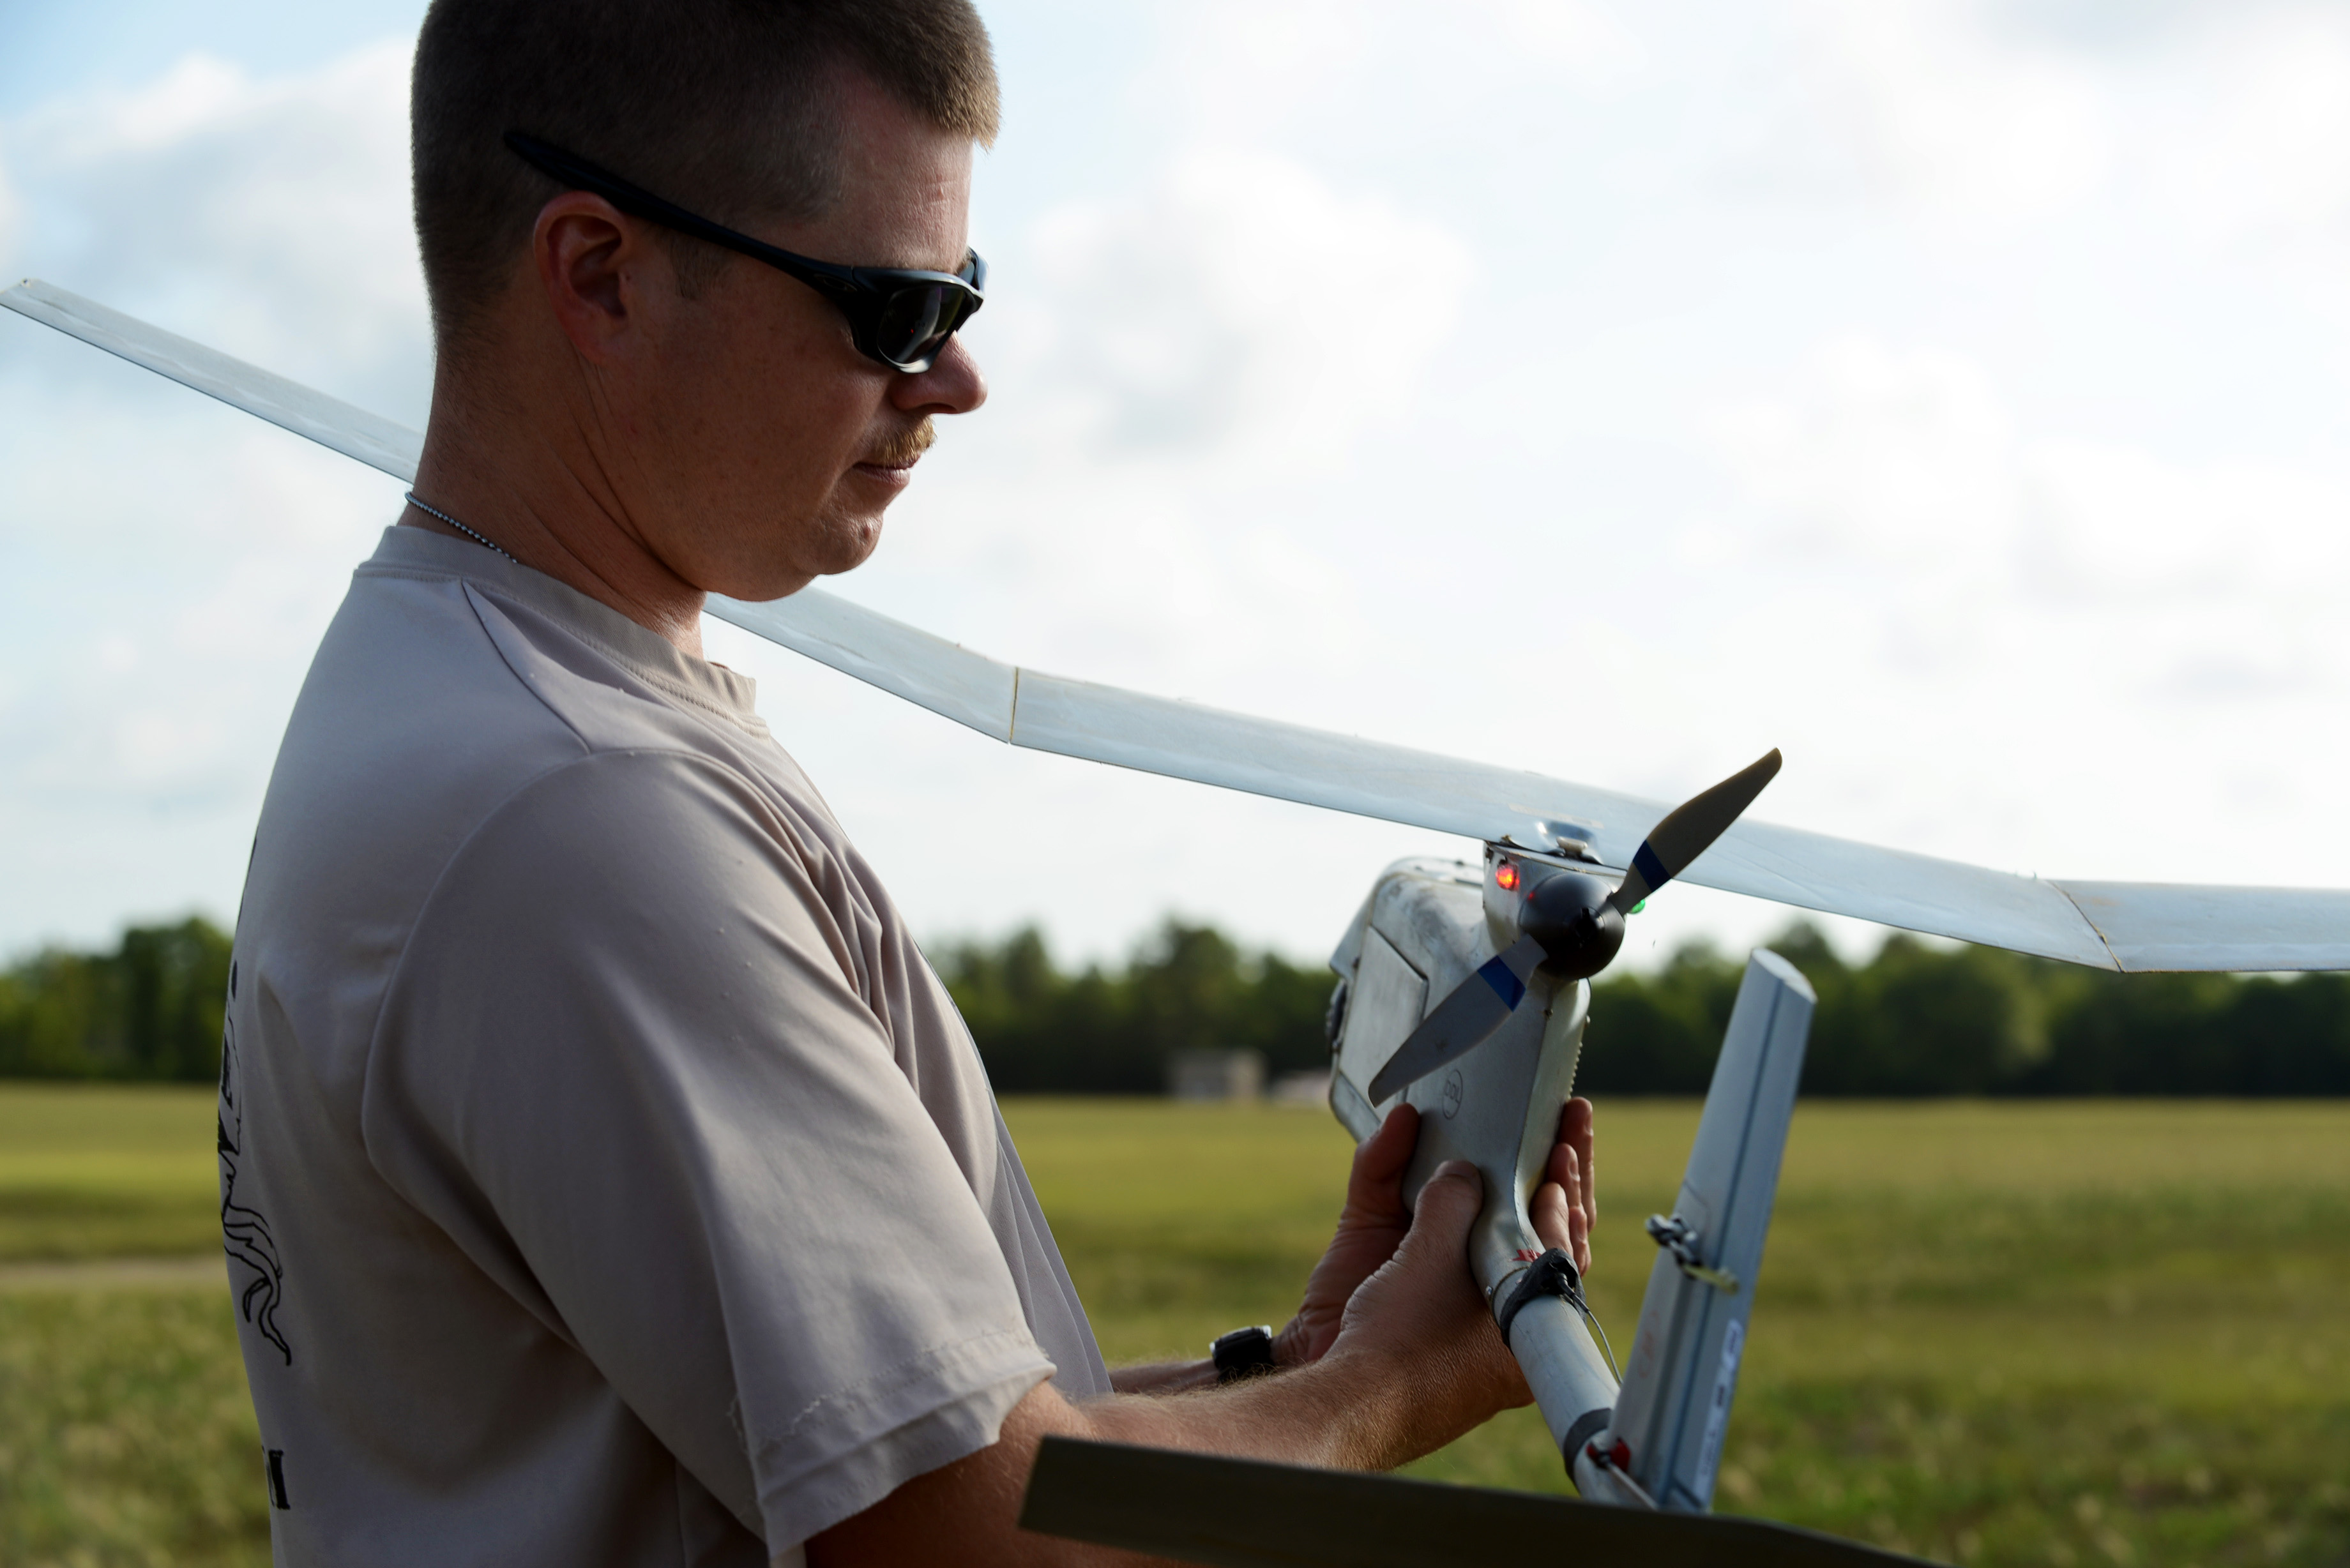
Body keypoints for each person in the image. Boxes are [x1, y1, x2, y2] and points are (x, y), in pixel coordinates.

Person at [217, 1, 1600, 1563]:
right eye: (894, 307)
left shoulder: (461, 697)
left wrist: (1306, 1366)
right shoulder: (581, 807)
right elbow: (979, 1539)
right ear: (598, 274)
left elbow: (899, 1451)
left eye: (964, 297)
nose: (954, 380)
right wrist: (1404, 1382)